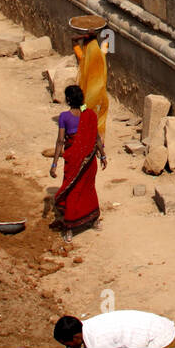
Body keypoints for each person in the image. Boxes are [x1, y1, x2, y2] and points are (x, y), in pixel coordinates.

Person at [49, 84, 106, 240]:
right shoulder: (90, 114)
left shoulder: (64, 117)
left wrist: (54, 164)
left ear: (68, 99)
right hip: (89, 161)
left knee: (72, 191)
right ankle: (94, 221)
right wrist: (103, 155)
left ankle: (69, 229)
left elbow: (60, 141)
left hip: (74, 161)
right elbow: (97, 137)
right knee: (88, 189)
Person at [53, 311, 175, 348]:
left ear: (76, 337)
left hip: (162, 339)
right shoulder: (86, 326)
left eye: (67, 344)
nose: (68, 347)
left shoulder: (97, 341)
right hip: (159, 327)